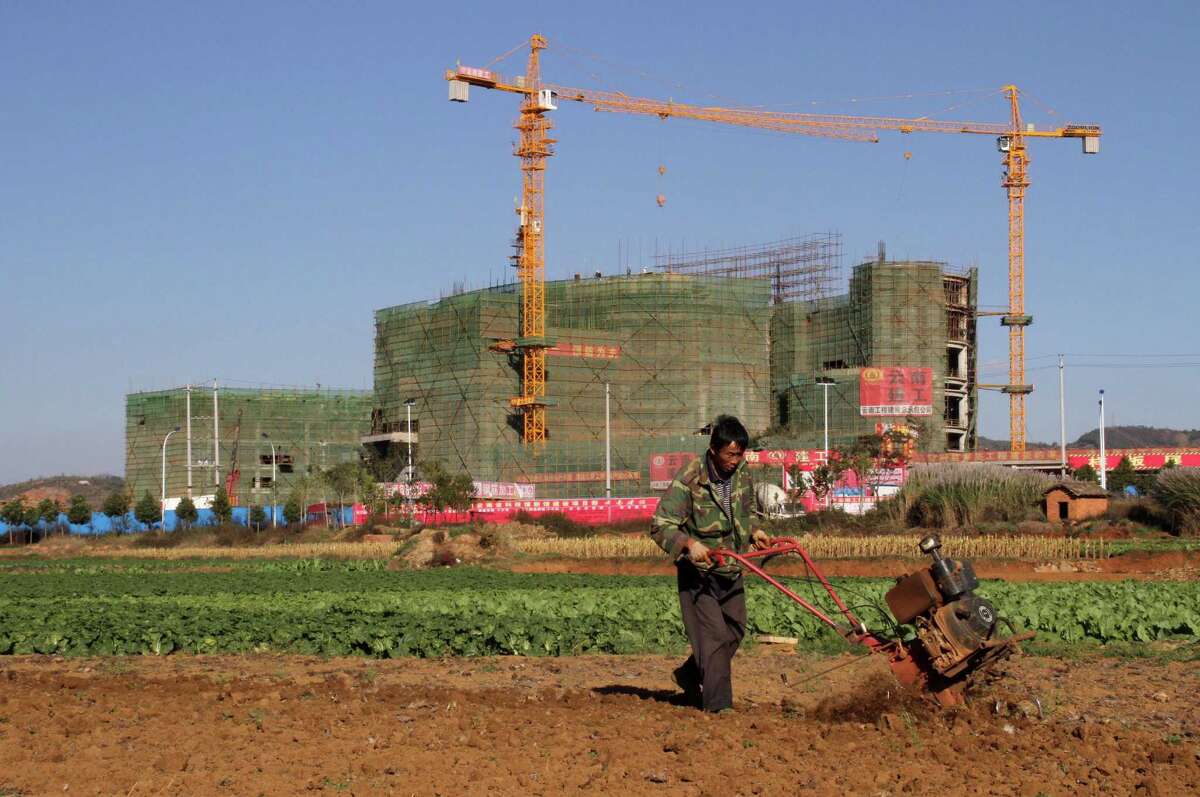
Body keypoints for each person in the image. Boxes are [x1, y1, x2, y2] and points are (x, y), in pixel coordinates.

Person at [649, 414, 769, 712]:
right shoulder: (690, 479)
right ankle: (718, 707)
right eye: (730, 454)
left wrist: (754, 531)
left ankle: (689, 674)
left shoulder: (741, 471)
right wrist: (689, 545)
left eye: (740, 454)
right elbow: (660, 525)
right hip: (699, 573)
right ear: (714, 450)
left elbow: (745, 511)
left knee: (735, 629)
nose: (735, 460)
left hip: (731, 567)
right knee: (714, 637)